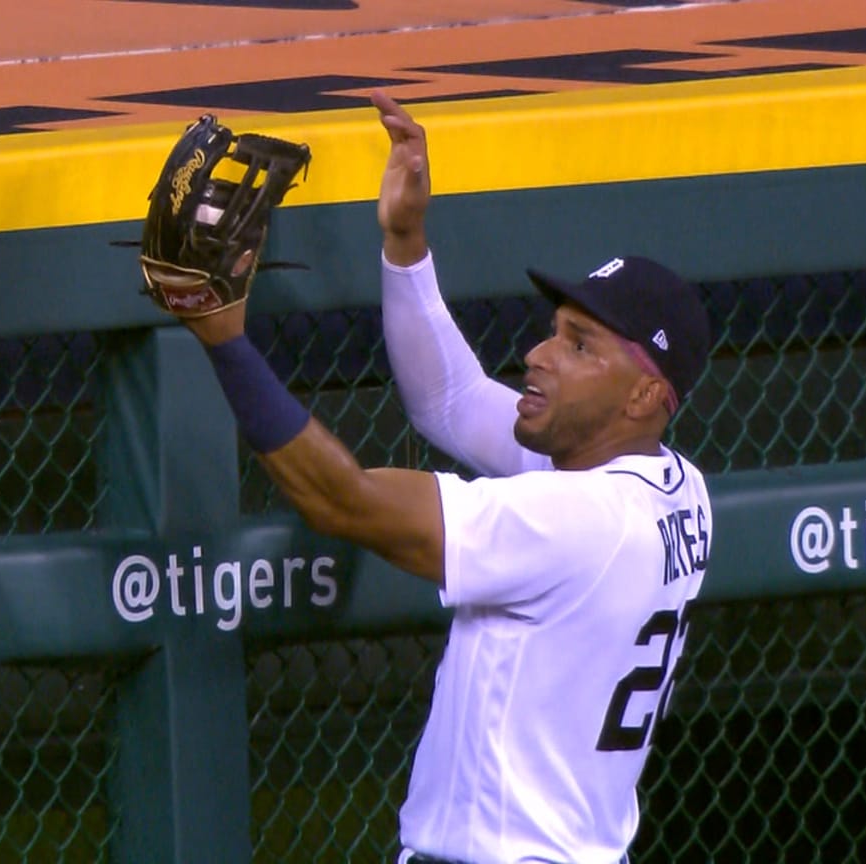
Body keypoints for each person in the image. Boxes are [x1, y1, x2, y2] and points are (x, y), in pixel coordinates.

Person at [175, 91, 713, 864]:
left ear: (642, 397)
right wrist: (405, 242)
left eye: (580, 346)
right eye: (555, 332)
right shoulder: (677, 487)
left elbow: (343, 500)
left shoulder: (576, 522)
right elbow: (449, 399)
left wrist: (224, 339)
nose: (538, 355)